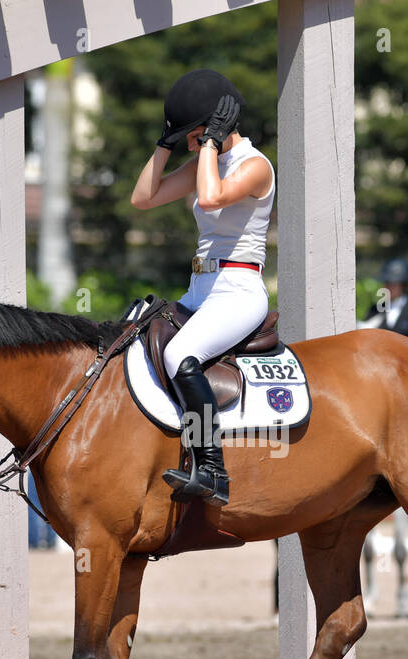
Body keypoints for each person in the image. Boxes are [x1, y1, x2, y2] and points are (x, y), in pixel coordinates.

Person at [130, 68, 275, 507]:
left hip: (238, 289)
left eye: (195, 136)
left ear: (217, 126)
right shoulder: (202, 162)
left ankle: (212, 469)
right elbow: (143, 198)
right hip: (201, 287)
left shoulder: (256, 166)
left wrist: (210, 141)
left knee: (179, 355)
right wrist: (165, 143)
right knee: (137, 341)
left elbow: (211, 198)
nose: (192, 146)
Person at [359, 258, 408, 618]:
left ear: (405, 286)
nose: (390, 288)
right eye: (388, 283)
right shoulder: (375, 308)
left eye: (395, 284)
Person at [359, 258, 408, 344]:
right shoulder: (376, 309)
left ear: (403, 285)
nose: (388, 287)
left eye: (393, 284)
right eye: (386, 282)